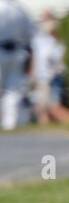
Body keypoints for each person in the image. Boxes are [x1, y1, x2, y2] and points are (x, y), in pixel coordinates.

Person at [31, 13, 69, 125]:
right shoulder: (38, 39)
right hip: (41, 79)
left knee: (53, 107)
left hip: (51, 78)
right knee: (41, 110)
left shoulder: (56, 41)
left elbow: (55, 61)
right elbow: (35, 59)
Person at [0, 0, 35, 131]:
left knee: (11, 90)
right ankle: (9, 123)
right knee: (12, 90)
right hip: (16, 52)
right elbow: (31, 33)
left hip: (8, 52)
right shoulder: (20, 9)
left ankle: (9, 124)